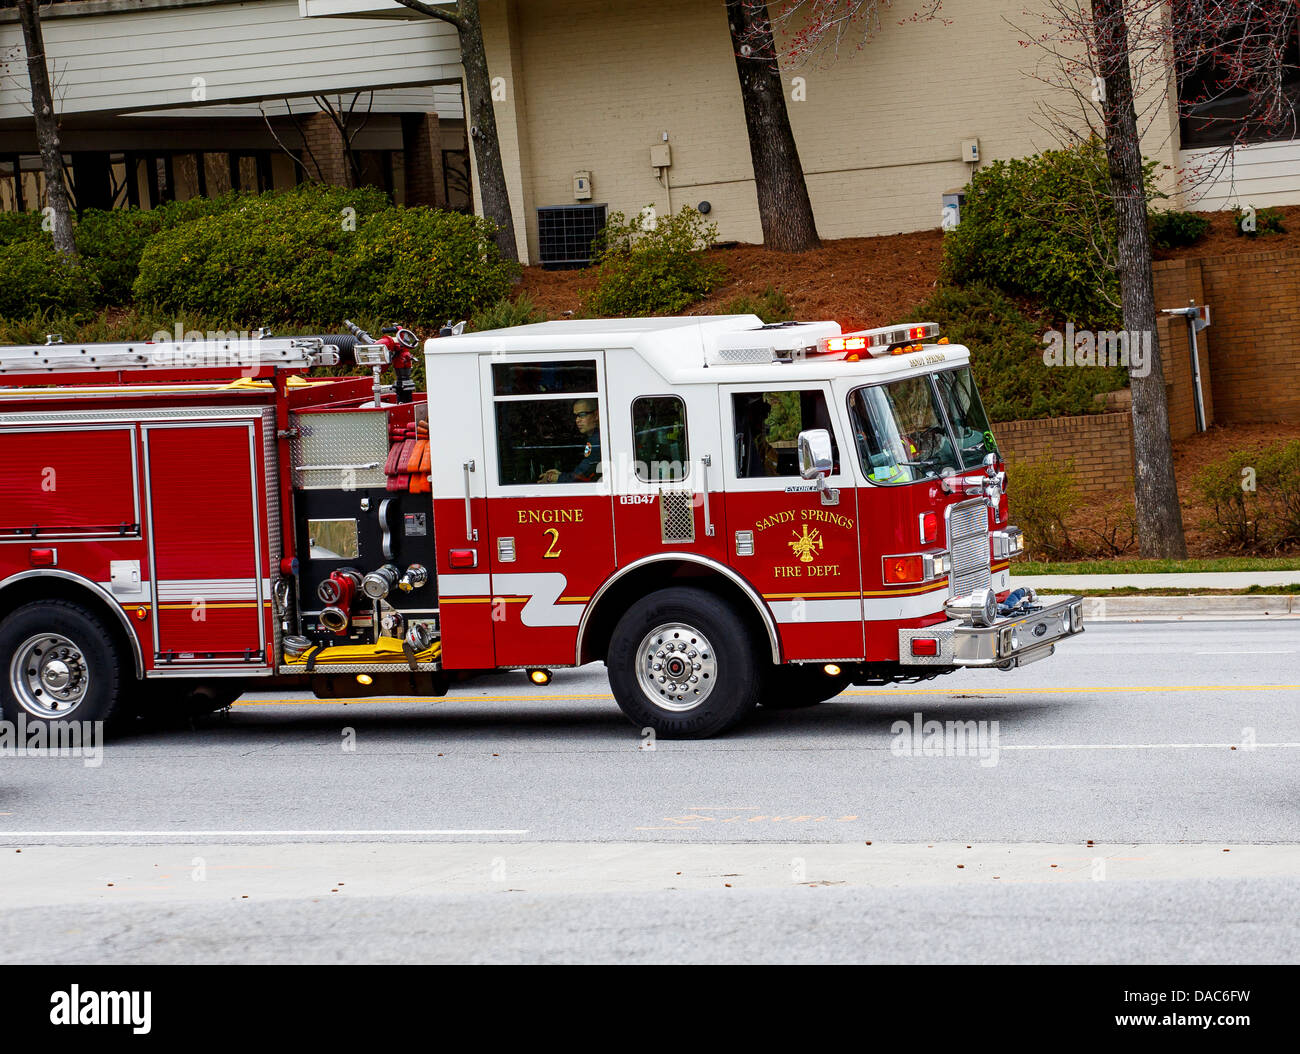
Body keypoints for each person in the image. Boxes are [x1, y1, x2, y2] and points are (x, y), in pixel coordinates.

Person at [539, 400, 602, 483]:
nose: (577, 420)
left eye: (582, 415)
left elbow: (582, 474)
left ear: (596, 415)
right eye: (576, 416)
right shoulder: (594, 437)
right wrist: (561, 475)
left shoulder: (597, 440)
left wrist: (553, 478)